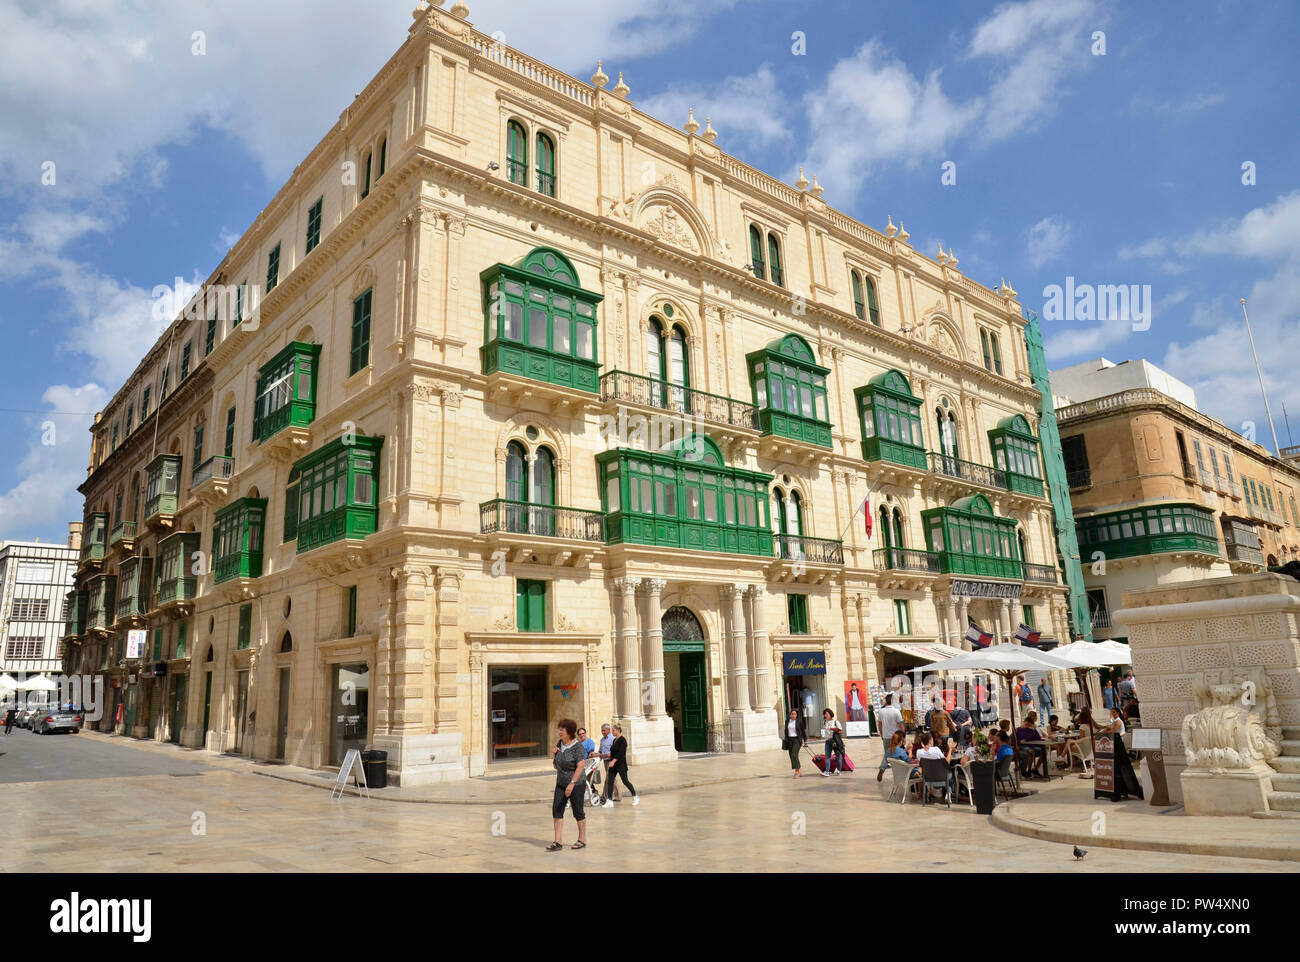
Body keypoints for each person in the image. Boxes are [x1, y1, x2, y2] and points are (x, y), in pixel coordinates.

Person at [548, 719, 588, 851]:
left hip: (576, 784)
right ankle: (558, 841)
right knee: (557, 810)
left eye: (562, 730)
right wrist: (555, 756)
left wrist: (571, 784)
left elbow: (580, 767)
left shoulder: (578, 747)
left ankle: (582, 839)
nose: (559, 732)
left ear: (569, 732)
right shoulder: (560, 743)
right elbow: (556, 766)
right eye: (559, 729)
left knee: (578, 811)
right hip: (560, 783)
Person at [601, 723, 638, 805]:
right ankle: (609, 801)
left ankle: (635, 796)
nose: (612, 732)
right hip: (613, 765)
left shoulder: (623, 740)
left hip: (620, 765)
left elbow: (620, 753)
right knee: (610, 781)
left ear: (618, 731)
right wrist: (611, 761)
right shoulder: (614, 740)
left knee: (625, 781)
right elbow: (613, 753)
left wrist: (613, 761)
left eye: (613, 730)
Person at [876, 693, 903, 782]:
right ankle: (898, 773)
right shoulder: (896, 711)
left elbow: (880, 724)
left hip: (886, 736)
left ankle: (883, 768)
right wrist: (903, 735)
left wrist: (882, 735)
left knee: (887, 754)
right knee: (898, 755)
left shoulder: (881, 711)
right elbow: (900, 725)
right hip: (895, 736)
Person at [1015, 711, 1046, 778]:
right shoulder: (1018, 730)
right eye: (1026, 724)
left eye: (1028, 725)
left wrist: (1034, 729)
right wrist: (1020, 741)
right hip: (1021, 746)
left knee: (1043, 751)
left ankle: (1035, 769)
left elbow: (1038, 739)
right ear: (1023, 722)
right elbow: (1012, 741)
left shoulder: (1031, 730)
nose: (1026, 726)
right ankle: (1028, 770)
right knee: (1032, 751)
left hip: (1030, 746)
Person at [781, 707, 808, 778]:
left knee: (794, 755)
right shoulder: (787, 721)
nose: (793, 715)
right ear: (790, 715)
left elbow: (803, 731)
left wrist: (805, 740)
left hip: (797, 740)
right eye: (792, 714)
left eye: (795, 714)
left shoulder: (799, 721)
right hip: (789, 740)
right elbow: (786, 731)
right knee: (791, 756)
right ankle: (799, 771)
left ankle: (796, 772)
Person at [597, 724, 618, 801]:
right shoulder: (602, 740)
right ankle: (618, 796)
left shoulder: (613, 739)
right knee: (613, 779)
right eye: (602, 730)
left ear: (608, 730)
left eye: (604, 730)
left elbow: (615, 752)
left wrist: (605, 755)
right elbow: (600, 751)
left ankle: (605, 796)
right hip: (605, 762)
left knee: (608, 779)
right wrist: (595, 755)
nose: (602, 732)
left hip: (611, 761)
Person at [822, 709, 846, 776]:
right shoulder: (825, 722)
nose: (825, 715)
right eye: (824, 714)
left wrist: (835, 730)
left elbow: (841, 731)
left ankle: (839, 770)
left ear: (830, 714)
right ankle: (827, 772)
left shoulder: (835, 722)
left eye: (826, 713)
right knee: (827, 757)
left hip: (835, 741)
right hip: (827, 741)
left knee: (838, 756)